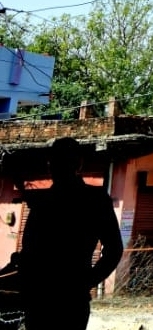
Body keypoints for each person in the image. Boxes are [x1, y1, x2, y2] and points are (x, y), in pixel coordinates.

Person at [15, 136, 124, 330]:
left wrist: (85, 281)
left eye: (59, 162)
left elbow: (114, 249)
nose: (55, 167)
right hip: (54, 298)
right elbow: (29, 250)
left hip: (55, 298)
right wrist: (86, 281)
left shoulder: (91, 200)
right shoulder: (47, 202)